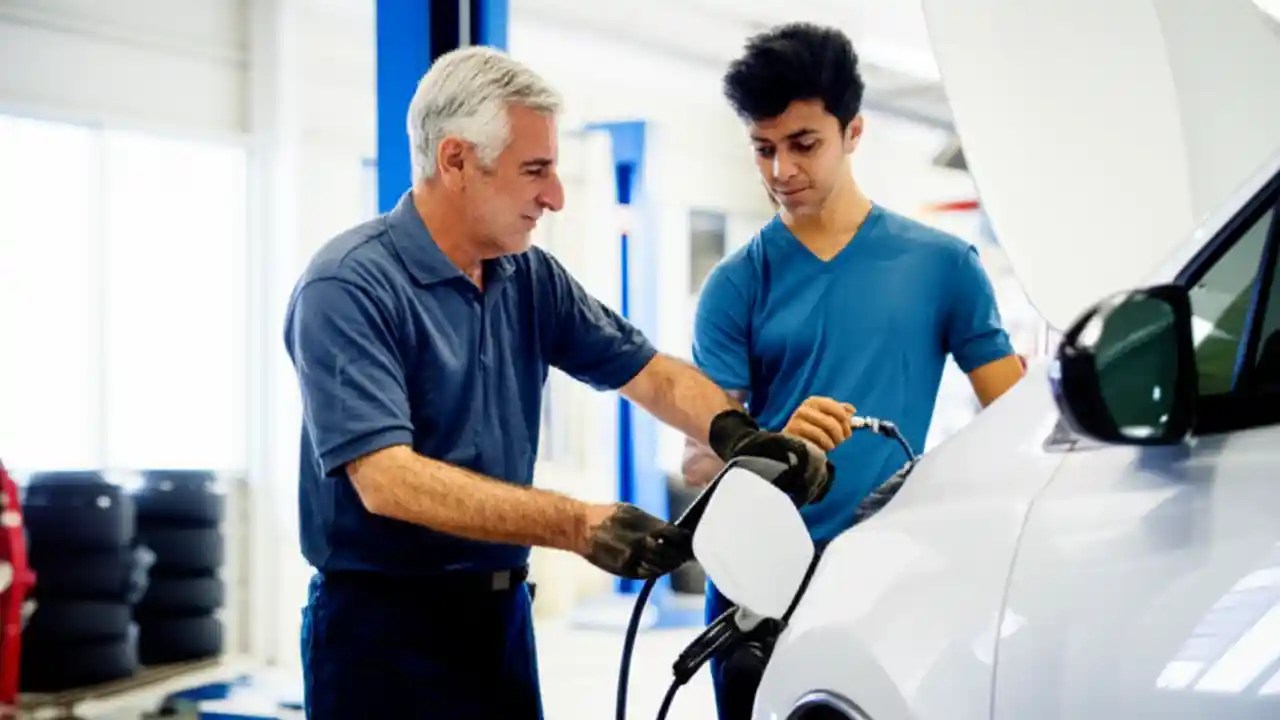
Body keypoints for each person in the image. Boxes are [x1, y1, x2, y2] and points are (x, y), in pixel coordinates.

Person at [283, 46, 833, 719]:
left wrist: (740, 435)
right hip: (380, 636)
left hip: (500, 621)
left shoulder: (528, 278)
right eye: (535, 170)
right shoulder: (349, 286)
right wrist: (577, 524)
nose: (556, 196)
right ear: (455, 160)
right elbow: (387, 479)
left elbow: (649, 372)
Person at [682, 23, 1026, 718]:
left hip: (884, 584)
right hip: (755, 585)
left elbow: (1018, 427)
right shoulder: (736, 284)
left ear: (853, 131)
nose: (782, 171)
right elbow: (695, 463)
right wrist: (770, 439)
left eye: (803, 144)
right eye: (763, 149)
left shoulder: (942, 267)